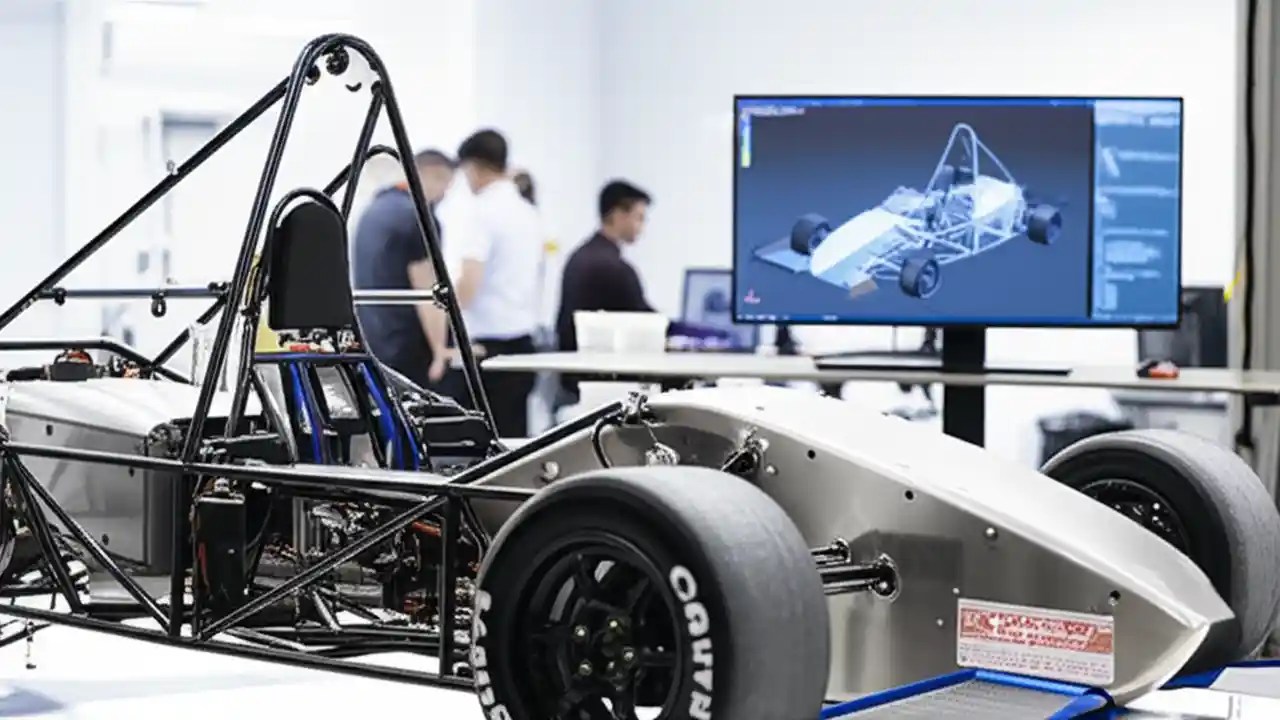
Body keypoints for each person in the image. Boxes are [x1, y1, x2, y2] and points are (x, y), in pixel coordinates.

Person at [447, 129, 543, 437]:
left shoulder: (481, 213)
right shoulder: (529, 213)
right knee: (515, 445)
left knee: (482, 448)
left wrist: (445, 322)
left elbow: (469, 283)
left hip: (487, 349)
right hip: (524, 343)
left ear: (473, 167)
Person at [350, 149, 456, 390]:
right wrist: (440, 349)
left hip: (375, 341)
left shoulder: (372, 212)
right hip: (410, 348)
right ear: (433, 175)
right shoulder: (418, 216)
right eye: (445, 184)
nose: (444, 194)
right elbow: (428, 291)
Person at [554, 180, 655, 404]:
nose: (642, 226)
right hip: (596, 385)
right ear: (619, 215)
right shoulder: (614, 268)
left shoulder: (581, 255)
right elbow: (648, 322)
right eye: (639, 217)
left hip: (572, 379)